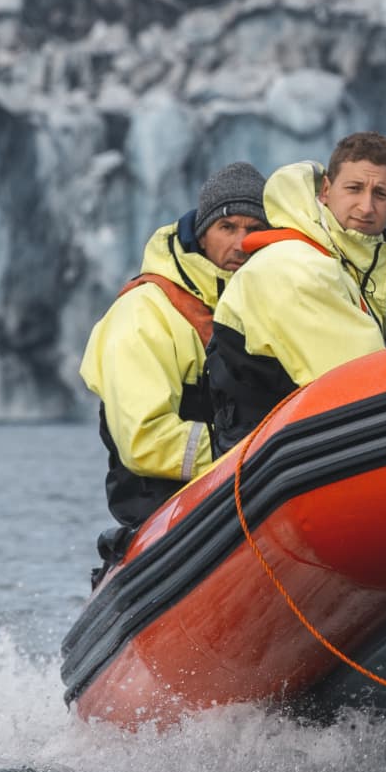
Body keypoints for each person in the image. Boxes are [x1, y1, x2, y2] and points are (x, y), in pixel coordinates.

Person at [79, 161, 269, 568]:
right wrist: (240, 455)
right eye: (227, 227)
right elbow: (144, 438)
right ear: (202, 233)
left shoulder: (268, 306)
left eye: (254, 230)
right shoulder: (145, 312)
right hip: (167, 516)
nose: (240, 243)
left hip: (249, 500)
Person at [206, 131, 386, 450]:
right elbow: (365, 386)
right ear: (326, 190)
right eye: (354, 188)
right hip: (278, 461)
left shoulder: (343, 263)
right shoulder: (295, 267)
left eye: (380, 194)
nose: (366, 207)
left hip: (295, 456)